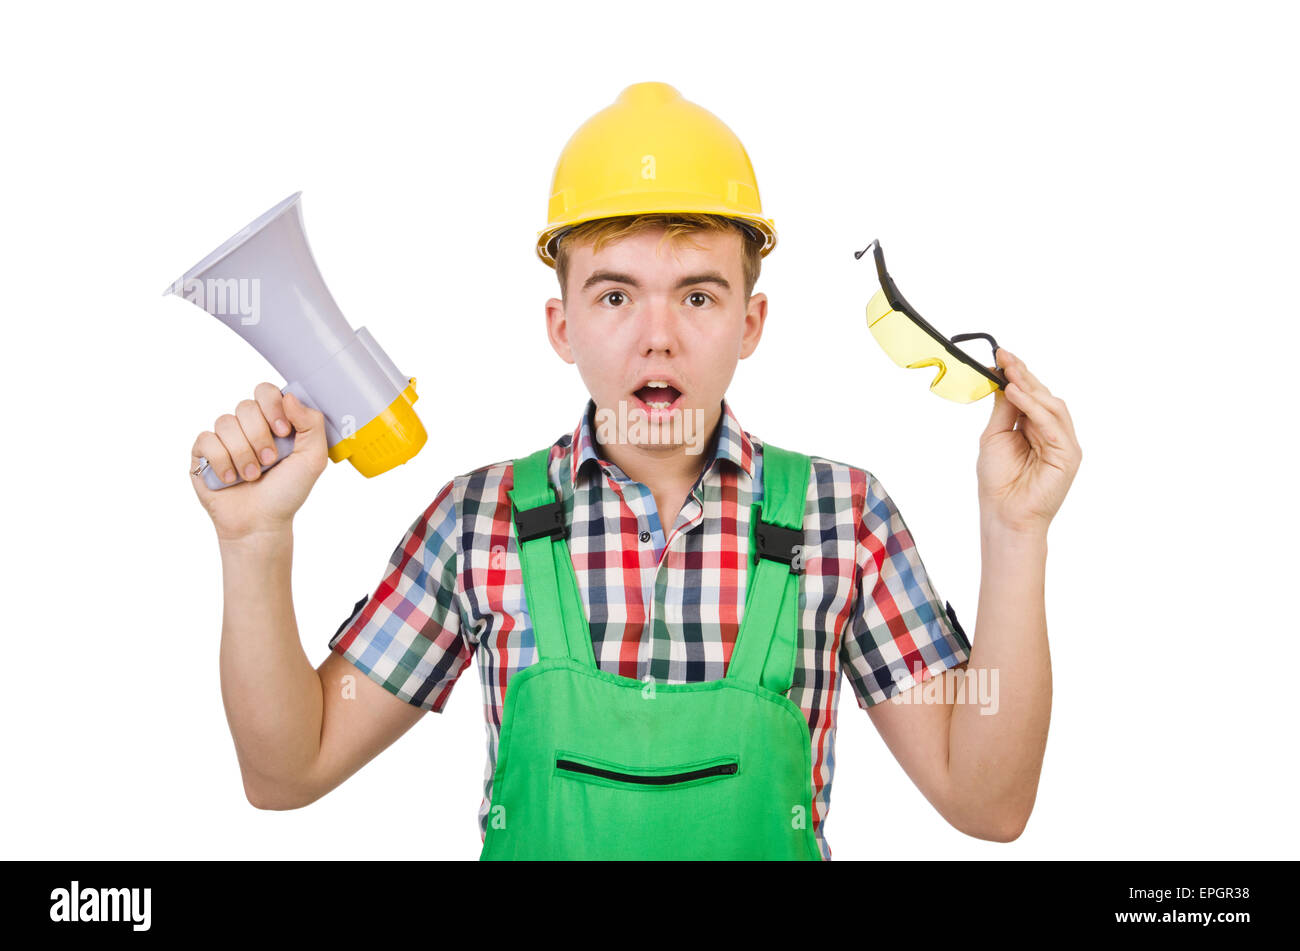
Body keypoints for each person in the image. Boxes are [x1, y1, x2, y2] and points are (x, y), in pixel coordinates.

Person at [190, 83, 1082, 860]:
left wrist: (1016, 530)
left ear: (752, 323)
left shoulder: (842, 518)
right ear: (562, 325)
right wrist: (254, 539)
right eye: (615, 294)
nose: (659, 333)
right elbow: (286, 770)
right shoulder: (478, 521)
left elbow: (989, 803)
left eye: (699, 294)